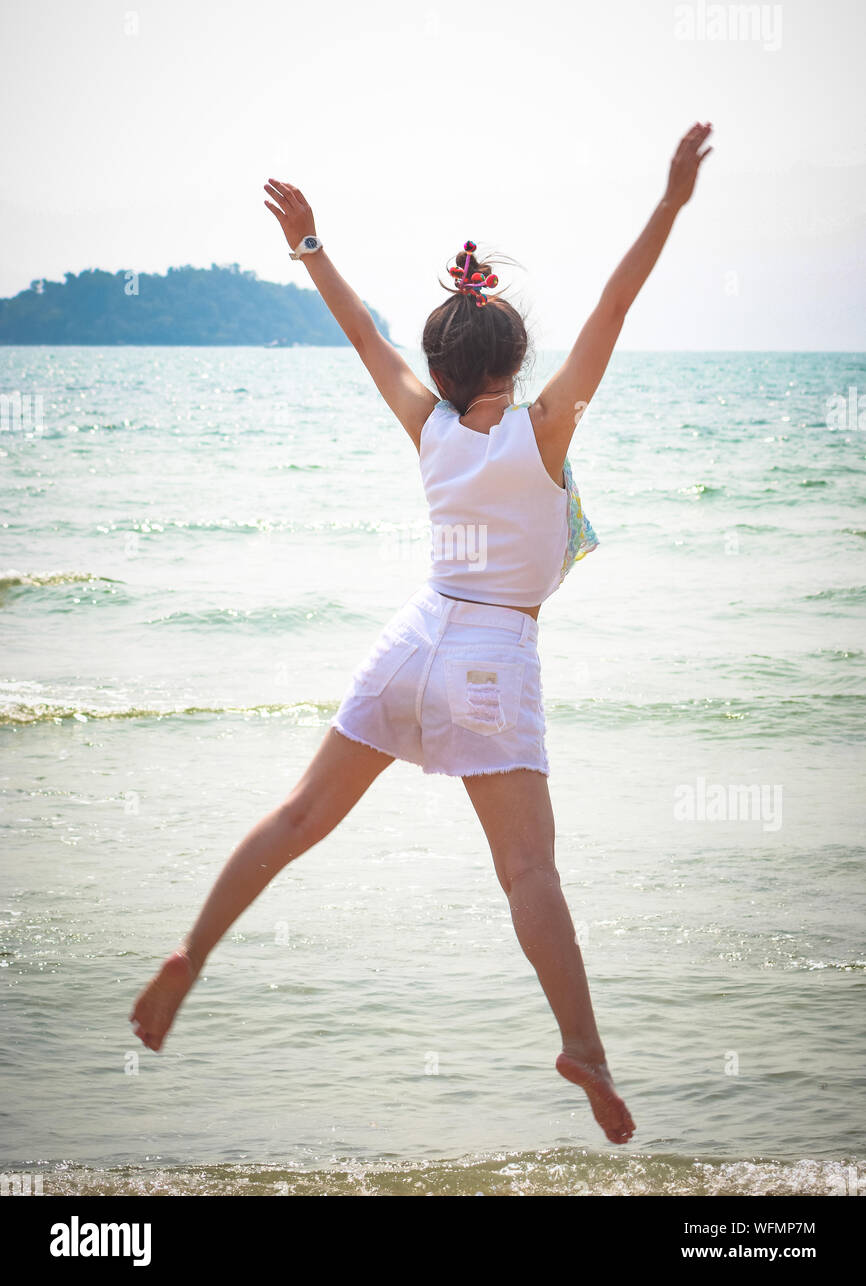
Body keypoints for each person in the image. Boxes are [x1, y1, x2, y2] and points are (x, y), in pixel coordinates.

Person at [130, 123, 713, 1146]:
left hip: (410, 638)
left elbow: (365, 335)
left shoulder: (425, 423)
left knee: (297, 816)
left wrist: (308, 244)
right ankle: (582, 1046)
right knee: (528, 873)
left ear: (441, 369)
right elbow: (615, 309)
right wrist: (667, 204)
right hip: (492, 660)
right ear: (519, 360)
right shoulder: (546, 429)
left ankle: (193, 950)